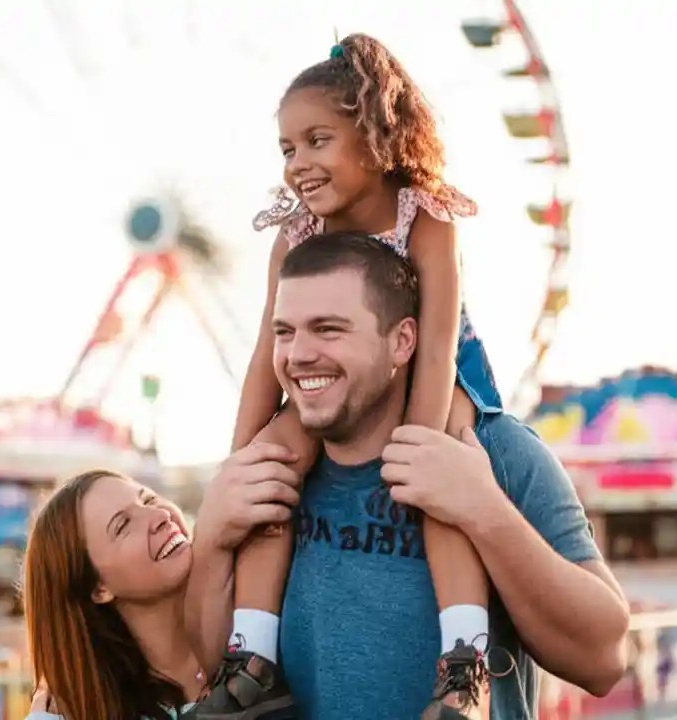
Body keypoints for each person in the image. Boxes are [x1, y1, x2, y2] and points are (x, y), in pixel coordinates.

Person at [186, 232, 631, 719]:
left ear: (402, 341)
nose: (298, 354)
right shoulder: (267, 472)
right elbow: (216, 673)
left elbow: (603, 660)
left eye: (328, 330)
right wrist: (210, 539)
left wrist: (484, 510)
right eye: (284, 332)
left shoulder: (493, 450)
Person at [211, 33, 504, 718]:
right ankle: (251, 658)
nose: (298, 164)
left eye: (317, 140)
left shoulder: (425, 217)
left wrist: (414, 447)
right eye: (287, 149)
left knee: (444, 472)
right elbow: (268, 354)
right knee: (269, 476)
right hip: (337, 383)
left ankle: (465, 662)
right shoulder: (295, 235)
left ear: (375, 137)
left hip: (438, 367)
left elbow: (434, 342)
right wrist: (242, 461)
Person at [23, 470, 264, 720]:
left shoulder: (255, 614)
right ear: (99, 588)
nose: (160, 515)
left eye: (148, 500)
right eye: (123, 525)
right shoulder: (89, 711)